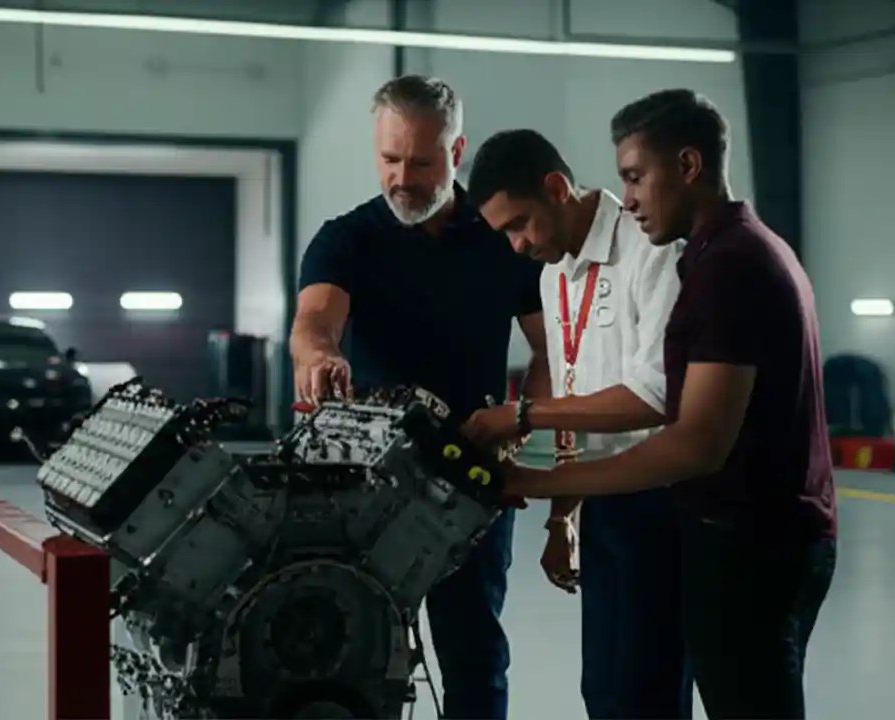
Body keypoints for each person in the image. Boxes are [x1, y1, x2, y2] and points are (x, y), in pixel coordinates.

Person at [502, 88, 838, 719]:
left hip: (752, 541)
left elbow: (693, 442)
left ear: (688, 166)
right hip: (750, 535)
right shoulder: (735, 251)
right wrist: (564, 510)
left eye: (635, 177)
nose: (626, 198)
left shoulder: (729, 265)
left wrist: (536, 461)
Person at [289, 75, 550, 720]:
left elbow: (555, 348)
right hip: (365, 483)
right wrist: (320, 355)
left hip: (472, 477)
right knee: (350, 646)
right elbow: (314, 323)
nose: (403, 177)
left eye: (422, 162)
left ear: (456, 152)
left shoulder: (503, 238)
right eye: (390, 159)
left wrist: (522, 420)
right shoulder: (346, 239)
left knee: (473, 653)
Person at [461, 129, 691, 719]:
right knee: (604, 695)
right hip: (604, 505)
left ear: (556, 188)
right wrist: (564, 515)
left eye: (519, 225)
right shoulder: (552, 273)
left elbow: (657, 393)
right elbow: (575, 399)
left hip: (664, 504)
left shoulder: (653, 249)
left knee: (648, 694)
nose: (516, 245)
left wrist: (519, 416)